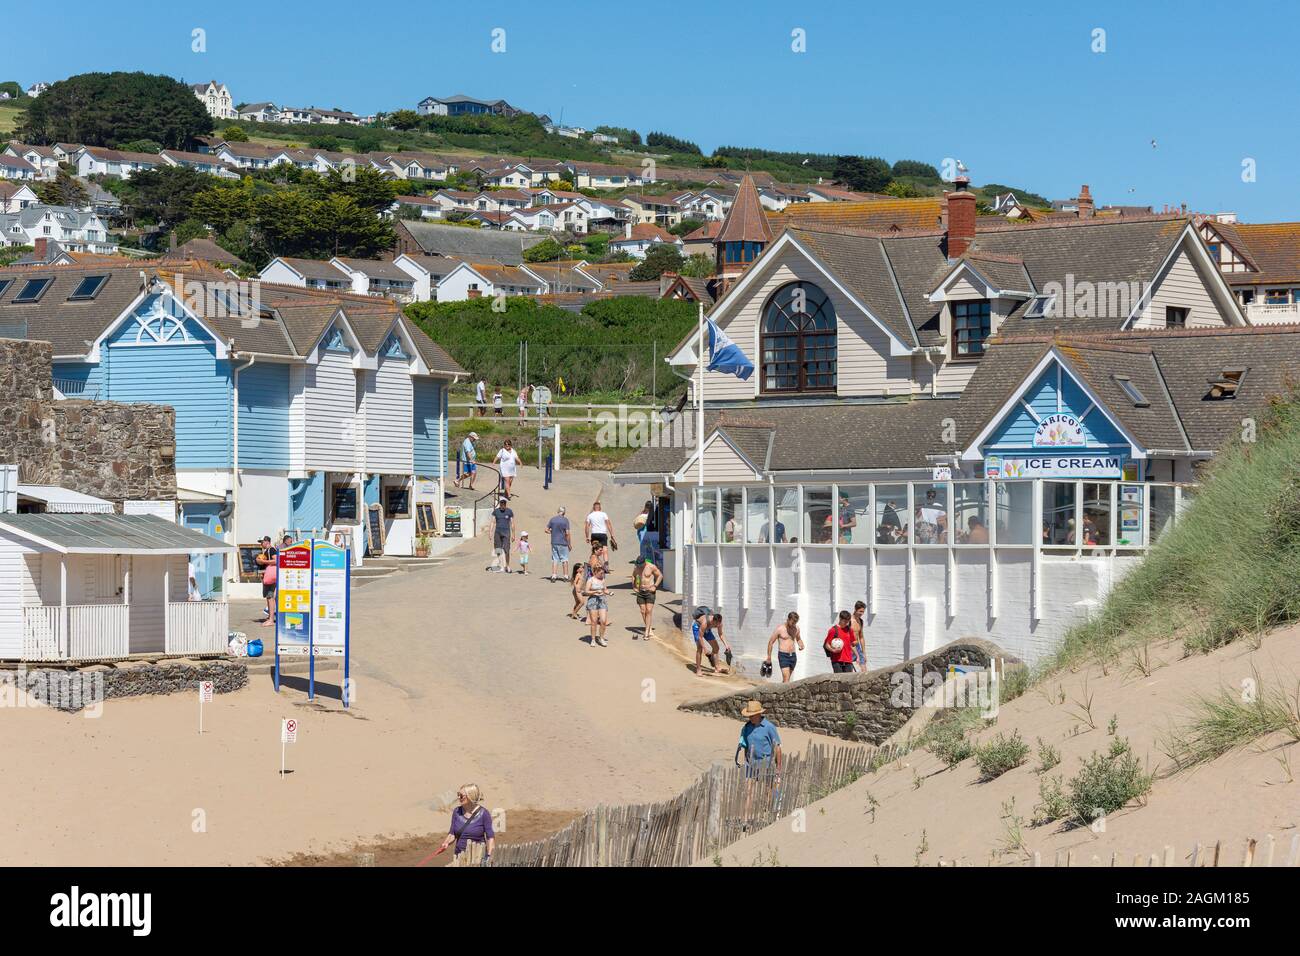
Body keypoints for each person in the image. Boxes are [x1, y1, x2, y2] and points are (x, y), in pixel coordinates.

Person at [737, 700, 782, 825]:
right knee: (748, 791)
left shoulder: (769, 727)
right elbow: (744, 745)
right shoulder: (746, 727)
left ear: (758, 714)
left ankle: (765, 815)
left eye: (752, 715)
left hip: (766, 764)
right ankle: (745, 820)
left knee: (768, 790)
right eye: (749, 715)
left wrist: (778, 768)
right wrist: (745, 759)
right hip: (751, 764)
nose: (750, 717)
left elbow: (777, 747)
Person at [435, 784, 495, 867]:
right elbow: (452, 833)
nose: (458, 798)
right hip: (459, 857)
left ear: (471, 796)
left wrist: (488, 856)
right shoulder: (457, 812)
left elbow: (490, 837)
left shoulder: (484, 814)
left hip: (477, 858)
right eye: (458, 794)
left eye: (461, 796)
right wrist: (446, 843)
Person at [691, 606, 732, 676]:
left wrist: (726, 645)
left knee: (716, 647)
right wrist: (705, 649)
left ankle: (717, 668)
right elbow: (700, 637)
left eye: (718, 624)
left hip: (707, 629)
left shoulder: (719, 623)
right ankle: (698, 669)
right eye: (715, 624)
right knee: (699, 648)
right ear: (713, 620)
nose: (716, 626)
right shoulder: (705, 622)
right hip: (697, 628)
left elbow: (721, 634)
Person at [764, 612, 804, 683]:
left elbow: (798, 638)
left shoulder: (796, 628)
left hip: (793, 656)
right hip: (783, 656)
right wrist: (769, 657)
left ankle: (781, 693)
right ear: (788, 619)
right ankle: (786, 693)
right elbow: (771, 642)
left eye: (795, 623)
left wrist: (801, 644)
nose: (793, 625)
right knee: (786, 678)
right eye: (792, 622)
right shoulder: (780, 629)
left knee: (787, 679)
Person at [632, 556, 662, 640]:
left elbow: (660, 576)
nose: (640, 567)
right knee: (643, 611)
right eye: (638, 565)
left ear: (645, 562)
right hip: (640, 591)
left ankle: (647, 632)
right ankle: (648, 628)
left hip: (650, 591)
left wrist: (655, 586)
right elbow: (633, 576)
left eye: (641, 565)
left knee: (648, 610)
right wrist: (634, 586)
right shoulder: (637, 567)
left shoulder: (651, 566)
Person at [583, 564, 610, 647]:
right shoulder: (590, 580)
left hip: (602, 600)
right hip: (593, 601)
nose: (602, 574)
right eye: (601, 573)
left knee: (603, 621)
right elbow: (586, 591)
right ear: (595, 572)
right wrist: (595, 592)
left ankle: (601, 638)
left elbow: (605, 589)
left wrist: (609, 592)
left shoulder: (602, 579)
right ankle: (593, 639)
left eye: (603, 573)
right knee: (594, 622)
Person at [487, 496, 514, 572]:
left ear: (506, 504)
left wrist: (513, 534)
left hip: (506, 532)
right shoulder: (496, 511)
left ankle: (507, 566)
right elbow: (492, 522)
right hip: (498, 532)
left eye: (504, 503)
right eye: (501, 503)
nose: (502, 505)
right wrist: (490, 532)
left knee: (507, 549)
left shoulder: (509, 511)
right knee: (498, 549)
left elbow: (512, 523)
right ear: (499, 504)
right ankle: (501, 565)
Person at [255, 535, 277, 626]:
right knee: (268, 597)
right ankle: (270, 617)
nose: (261, 544)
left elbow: (276, 560)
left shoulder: (271, 550)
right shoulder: (266, 551)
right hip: (268, 576)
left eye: (262, 542)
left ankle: (271, 619)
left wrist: (263, 562)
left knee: (270, 597)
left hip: (271, 576)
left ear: (266, 542)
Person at [546, 506, 572, 582]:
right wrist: (569, 544)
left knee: (555, 559)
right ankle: (566, 576)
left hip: (554, 542)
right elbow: (567, 533)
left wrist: (552, 532)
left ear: (558, 511)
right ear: (564, 512)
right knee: (564, 559)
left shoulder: (553, 519)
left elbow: (546, 530)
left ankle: (554, 575)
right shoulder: (565, 520)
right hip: (563, 542)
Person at [851, 600, 868, 672]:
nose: (862, 613)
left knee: (864, 669)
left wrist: (864, 653)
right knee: (849, 670)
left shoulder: (860, 621)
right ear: (855, 609)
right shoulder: (849, 620)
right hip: (849, 646)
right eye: (860, 611)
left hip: (857, 646)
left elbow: (861, 637)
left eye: (863, 612)